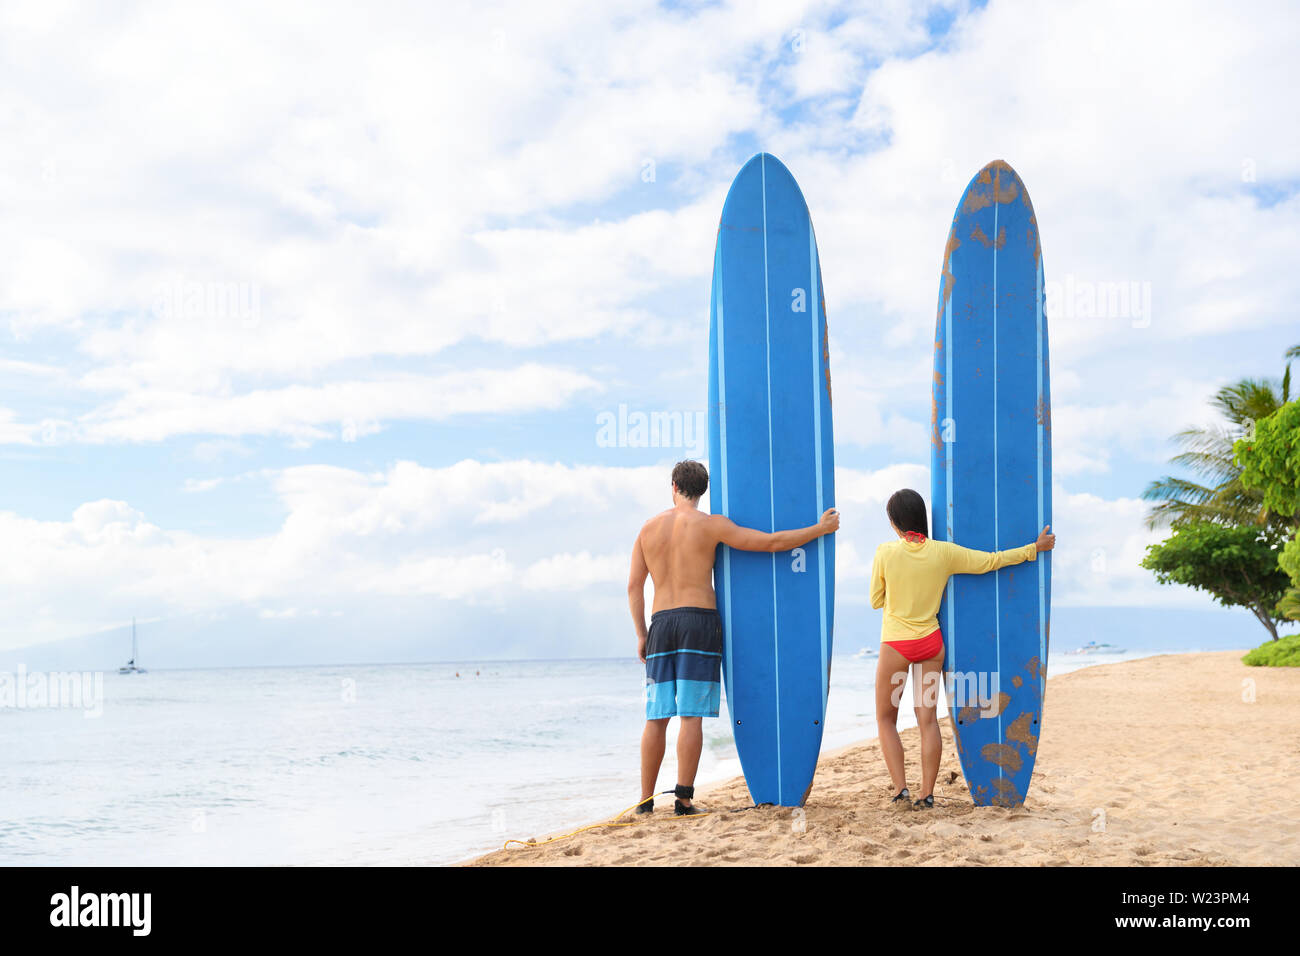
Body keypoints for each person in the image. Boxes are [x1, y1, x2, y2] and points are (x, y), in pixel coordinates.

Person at [627, 460, 839, 815]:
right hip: (698, 620)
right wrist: (819, 529)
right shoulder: (712, 526)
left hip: (660, 623)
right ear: (703, 490)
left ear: (674, 486)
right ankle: (682, 799)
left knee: (656, 717)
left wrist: (641, 633)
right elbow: (771, 543)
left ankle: (644, 801)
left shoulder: (648, 529)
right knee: (690, 716)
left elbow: (634, 586)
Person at [870, 488, 1055, 810]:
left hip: (897, 646)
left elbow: (876, 600)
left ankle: (901, 790)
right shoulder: (944, 553)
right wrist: (1034, 549)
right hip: (930, 645)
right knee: (927, 719)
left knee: (886, 719)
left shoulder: (885, 552)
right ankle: (926, 795)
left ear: (894, 521)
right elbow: (991, 561)